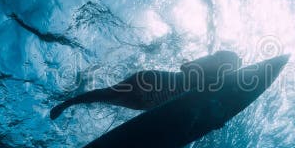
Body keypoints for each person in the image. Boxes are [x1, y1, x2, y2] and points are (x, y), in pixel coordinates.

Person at [49, 50, 241, 119]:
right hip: (150, 82)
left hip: (151, 103)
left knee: (108, 98)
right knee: (108, 94)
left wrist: (213, 119)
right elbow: (185, 67)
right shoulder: (210, 62)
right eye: (230, 65)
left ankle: (70, 103)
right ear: (225, 60)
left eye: (232, 68)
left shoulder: (217, 85)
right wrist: (205, 81)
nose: (229, 69)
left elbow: (201, 105)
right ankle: (67, 103)